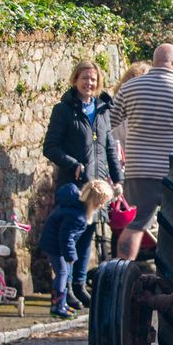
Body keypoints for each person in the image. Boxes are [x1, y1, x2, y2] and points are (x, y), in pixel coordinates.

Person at [113, 43, 173, 260]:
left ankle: (122, 269)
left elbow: (109, 122)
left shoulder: (129, 88)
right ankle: (168, 277)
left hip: (138, 170)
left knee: (137, 223)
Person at [42, 60, 123, 307]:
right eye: (85, 78)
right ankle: (65, 290)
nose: (89, 83)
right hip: (75, 186)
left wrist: (118, 179)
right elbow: (50, 147)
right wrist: (73, 164)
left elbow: (109, 147)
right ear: (75, 80)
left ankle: (79, 285)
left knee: (87, 236)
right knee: (71, 236)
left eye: (93, 79)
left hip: (97, 188)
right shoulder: (64, 110)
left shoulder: (102, 109)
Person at [39, 180, 115, 319]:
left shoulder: (75, 205)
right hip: (54, 245)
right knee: (62, 273)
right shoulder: (77, 216)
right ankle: (57, 306)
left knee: (66, 272)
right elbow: (66, 237)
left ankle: (62, 303)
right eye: (101, 203)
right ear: (95, 202)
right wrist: (71, 256)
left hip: (55, 243)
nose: (103, 206)